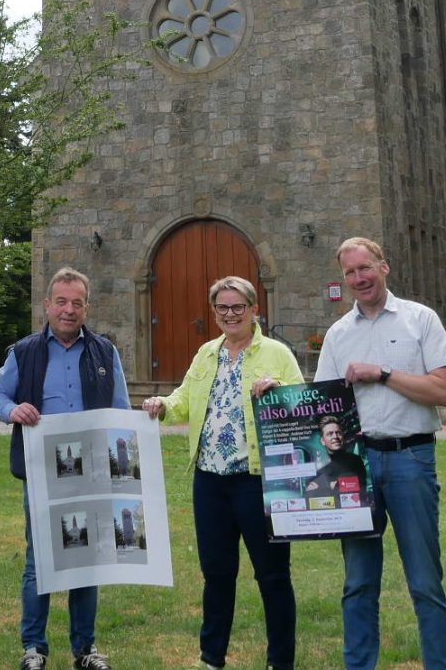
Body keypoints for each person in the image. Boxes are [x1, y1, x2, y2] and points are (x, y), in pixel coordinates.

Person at [140, 275, 303, 670]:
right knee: (216, 574)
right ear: (214, 313)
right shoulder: (206, 354)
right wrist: (162, 404)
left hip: (257, 480)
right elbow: (185, 398)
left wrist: (278, 388)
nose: (230, 314)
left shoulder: (277, 352)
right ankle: (211, 658)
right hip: (209, 480)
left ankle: (280, 662)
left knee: (273, 576)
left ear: (254, 310)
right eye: (222, 308)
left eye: (238, 307)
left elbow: (302, 403)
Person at [314, 237, 446, 670]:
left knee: (424, 581)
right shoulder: (339, 334)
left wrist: (383, 374)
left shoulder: (420, 320)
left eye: (366, 268)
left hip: (410, 460)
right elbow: (326, 408)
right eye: (351, 273)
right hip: (358, 467)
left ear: (384, 267)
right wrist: (325, 427)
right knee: (358, 583)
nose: (359, 278)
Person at [0, 267, 128, 670]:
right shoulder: (25, 352)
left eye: (77, 303)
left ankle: (86, 651)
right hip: (42, 471)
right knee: (41, 561)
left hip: (93, 472)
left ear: (87, 307)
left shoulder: (105, 352)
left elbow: (120, 410)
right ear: (47, 304)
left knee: (86, 559)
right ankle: (34, 649)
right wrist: (12, 410)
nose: (69, 310)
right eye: (61, 302)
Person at [303, 417, 367, 497]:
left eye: (338, 433)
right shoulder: (319, 467)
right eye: (330, 434)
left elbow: (357, 489)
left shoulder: (355, 461)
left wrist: (322, 485)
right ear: (323, 441)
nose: (335, 437)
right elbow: (310, 494)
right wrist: (335, 484)